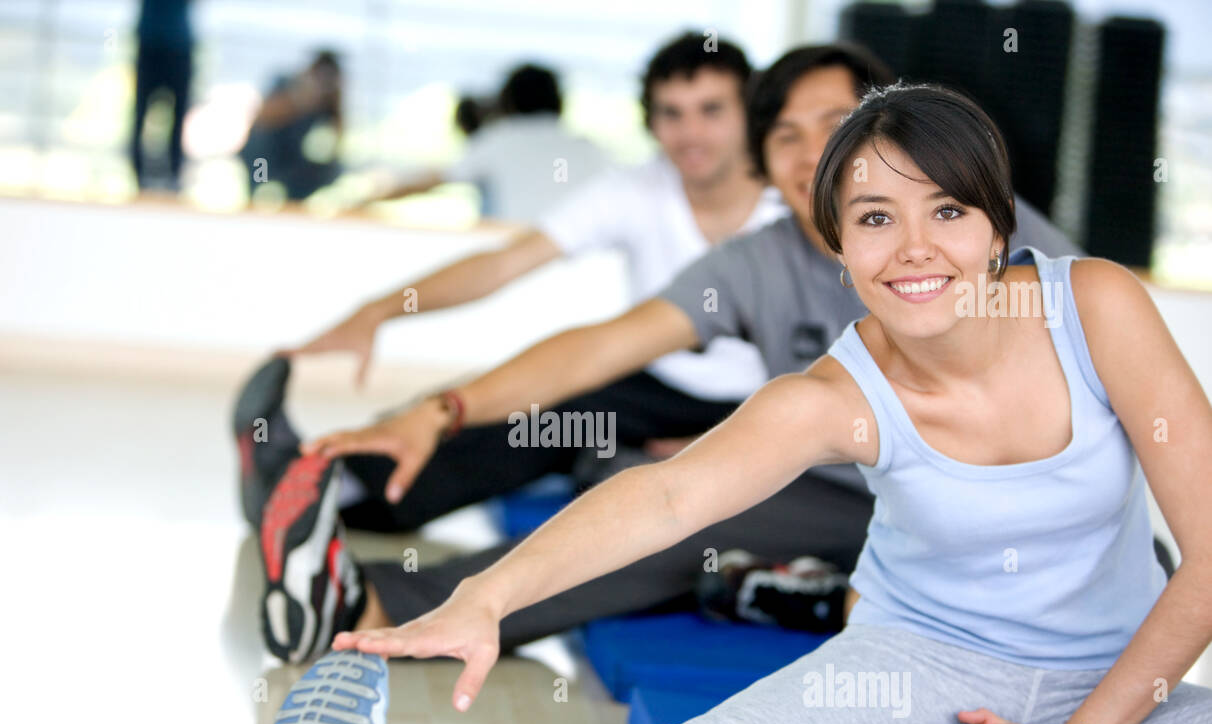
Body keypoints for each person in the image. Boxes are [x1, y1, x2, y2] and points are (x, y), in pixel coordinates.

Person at [268, 81, 1212, 724]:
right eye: (876, 218)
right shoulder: (834, 395)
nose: (916, 247)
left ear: (999, 227)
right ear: (839, 246)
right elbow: (665, 496)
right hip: (913, 665)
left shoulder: (1094, 307)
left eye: (949, 210)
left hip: (1125, 670)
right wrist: (487, 594)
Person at [242, 44, 1080, 666]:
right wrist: (440, 408)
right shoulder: (756, 258)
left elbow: (1095, 358)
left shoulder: (979, 218)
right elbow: (601, 346)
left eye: (835, 125)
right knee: (658, 501)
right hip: (836, 487)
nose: (806, 153)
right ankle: (369, 597)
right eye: (782, 135)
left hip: (995, 501)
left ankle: (811, 589)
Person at [365, 64, 610, 223]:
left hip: (512, 256)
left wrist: (362, 201)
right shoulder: (590, 148)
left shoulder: (499, 139)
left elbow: (427, 181)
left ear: (508, 102)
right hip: (583, 265)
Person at [239, 51, 344, 202]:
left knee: (332, 168)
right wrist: (301, 98)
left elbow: (337, 141)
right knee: (259, 158)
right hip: (264, 157)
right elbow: (263, 118)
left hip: (291, 161)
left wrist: (336, 105)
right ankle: (258, 198)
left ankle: (293, 202)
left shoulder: (326, 101)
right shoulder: (286, 82)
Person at [130, 0, 194, 191]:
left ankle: (173, 175)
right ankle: (139, 176)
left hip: (176, 44)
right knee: (141, 114)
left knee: (177, 117)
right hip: (153, 42)